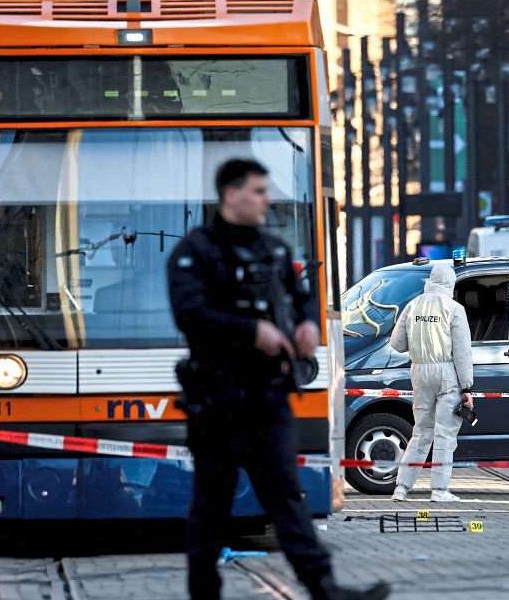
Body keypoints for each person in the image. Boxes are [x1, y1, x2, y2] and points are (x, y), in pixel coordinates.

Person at [168, 159, 389, 600]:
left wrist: (307, 326)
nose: (266, 200)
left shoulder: (273, 248)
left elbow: (302, 298)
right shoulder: (195, 252)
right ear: (231, 194)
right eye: (257, 191)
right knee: (211, 506)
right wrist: (251, 332)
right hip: (217, 400)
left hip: (267, 398)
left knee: (287, 498)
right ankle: (204, 593)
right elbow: (190, 314)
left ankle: (324, 587)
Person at [388, 264, 474, 503]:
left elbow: (397, 344)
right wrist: (467, 387)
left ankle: (401, 488)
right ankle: (439, 490)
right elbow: (462, 352)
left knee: (421, 431)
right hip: (446, 372)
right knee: (445, 433)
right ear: (451, 284)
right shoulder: (454, 309)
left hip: (419, 371)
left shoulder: (413, 305)